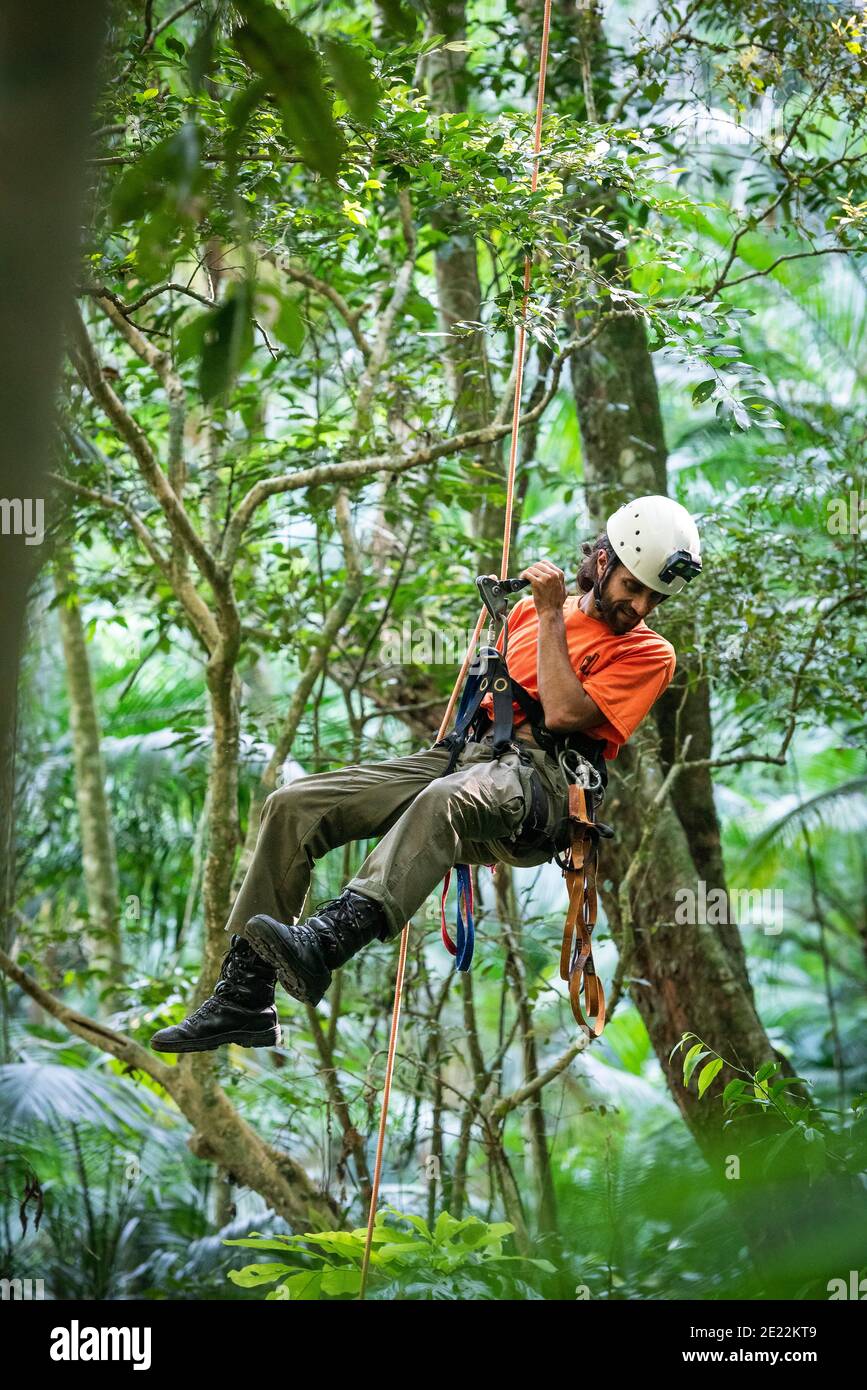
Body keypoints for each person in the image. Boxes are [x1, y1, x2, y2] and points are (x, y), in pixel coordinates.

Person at [150, 495, 701, 1053]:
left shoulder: (649, 654)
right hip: (470, 757)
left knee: (445, 800)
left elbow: (562, 713)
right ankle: (245, 996)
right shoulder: (529, 612)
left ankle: (328, 939)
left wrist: (555, 612)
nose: (640, 605)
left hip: (541, 789)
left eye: (652, 597)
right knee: (295, 804)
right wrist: (540, 616)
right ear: (602, 561)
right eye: (633, 587)